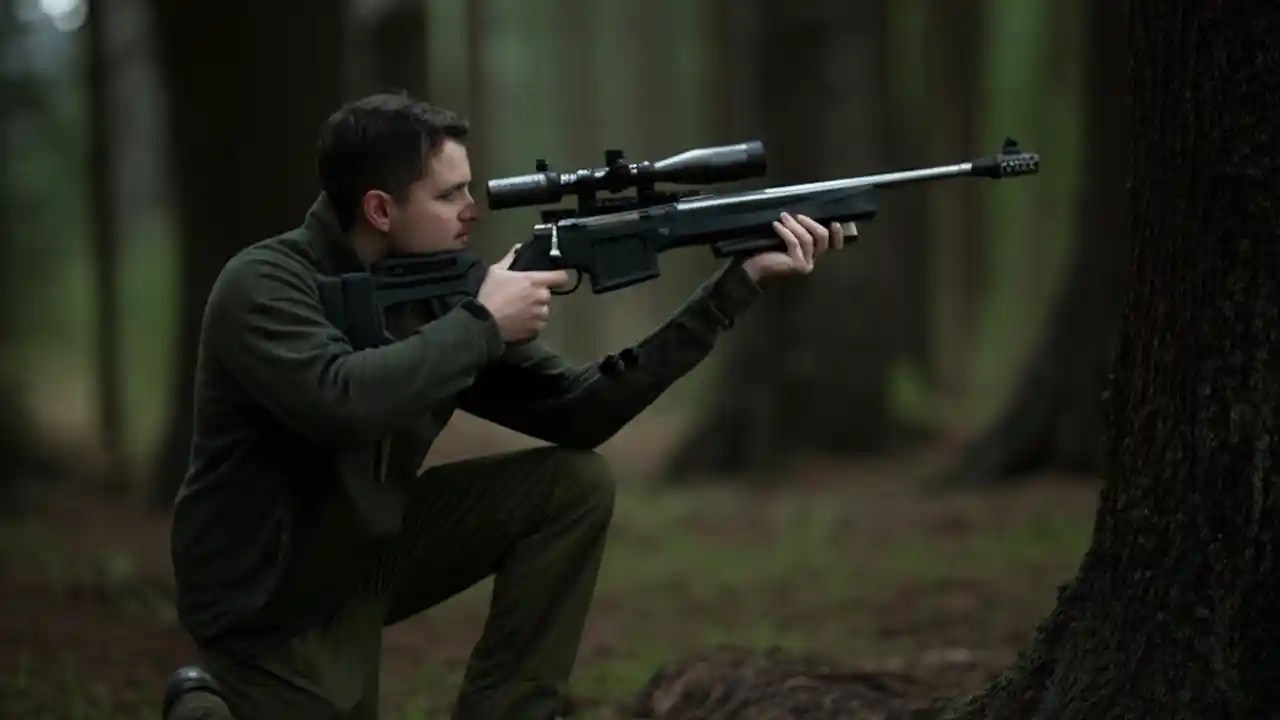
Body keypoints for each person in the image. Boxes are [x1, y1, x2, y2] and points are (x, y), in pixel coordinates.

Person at [165, 92, 845, 720]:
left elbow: (579, 412)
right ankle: (204, 703)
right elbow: (341, 401)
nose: (472, 209)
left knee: (571, 486)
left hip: (367, 555)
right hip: (270, 603)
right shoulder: (263, 284)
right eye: (449, 194)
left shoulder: (437, 291)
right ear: (379, 210)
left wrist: (733, 288)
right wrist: (484, 323)